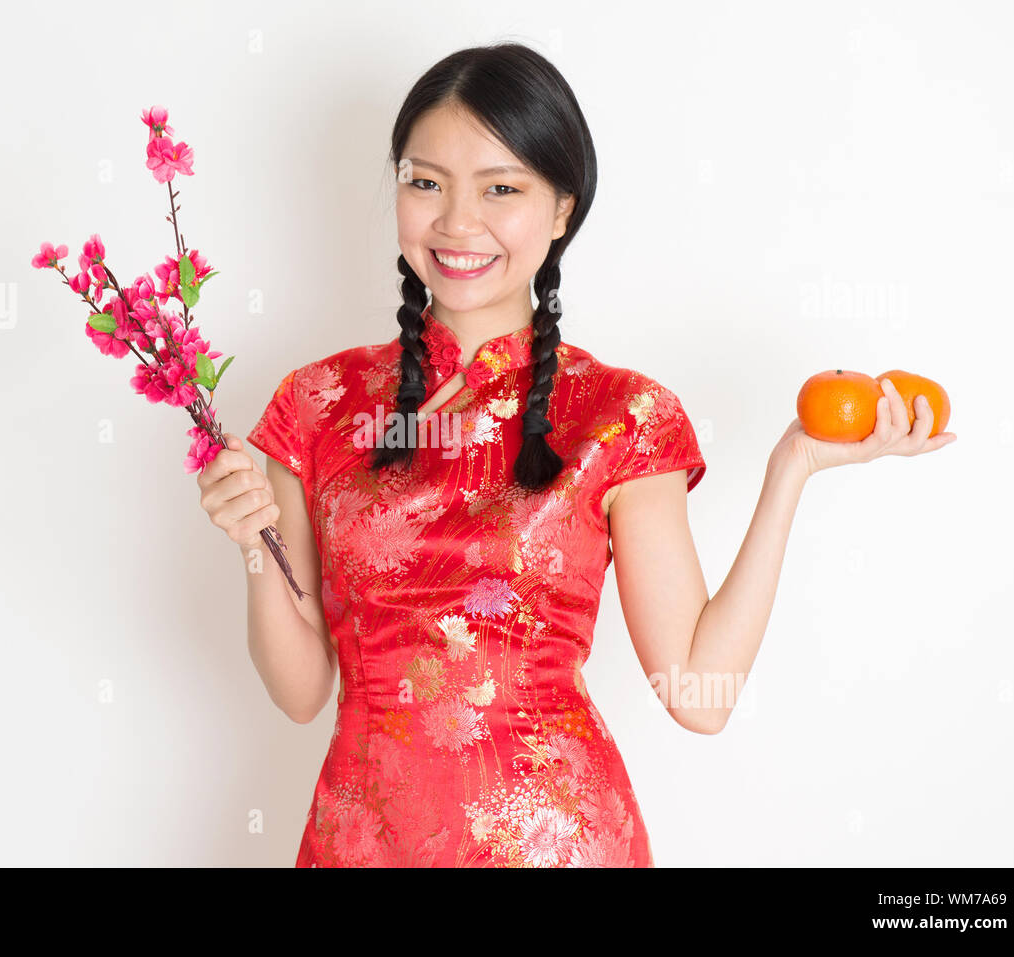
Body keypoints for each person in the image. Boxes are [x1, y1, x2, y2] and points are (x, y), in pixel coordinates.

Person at [197, 43, 956, 867]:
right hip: (364, 842)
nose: (456, 221)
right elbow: (303, 694)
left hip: (557, 844)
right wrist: (253, 547)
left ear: (563, 208)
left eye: (501, 188)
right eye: (426, 182)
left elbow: (697, 694)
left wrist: (791, 471)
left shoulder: (622, 416)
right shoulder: (317, 404)